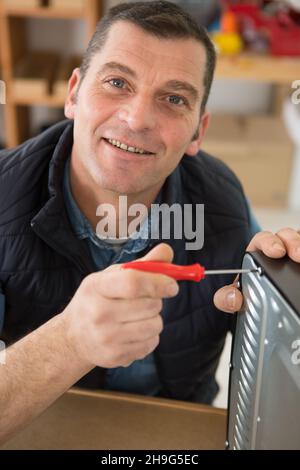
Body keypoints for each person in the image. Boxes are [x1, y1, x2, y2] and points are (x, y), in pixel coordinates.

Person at [0, 1, 299, 443]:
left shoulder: (223, 199)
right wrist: (70, 341)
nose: (137, 119)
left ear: (198, 131)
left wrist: (283, 294)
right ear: (74, 94)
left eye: (174, 98)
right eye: (117, 82)